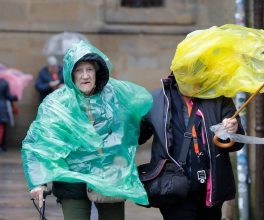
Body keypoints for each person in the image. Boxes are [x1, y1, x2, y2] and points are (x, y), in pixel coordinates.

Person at [23, 41, 152, 220]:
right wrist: (39, 182)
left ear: (96, 72)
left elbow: (136, 124)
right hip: (73, 183)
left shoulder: (114, 96)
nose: (85, 76)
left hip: (110, 179)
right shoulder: (57, 104)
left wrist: (129, 143)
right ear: (70, 74)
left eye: (89, 69)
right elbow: (40, 143)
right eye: (79, 70)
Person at [138, 73, 245, 220]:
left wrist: (232, 131)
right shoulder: (157, 99)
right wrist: (129, 119)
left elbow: (237, 144)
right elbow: (137, 137)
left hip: (210, 189)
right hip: (174, 188)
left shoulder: (219, 98)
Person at [0, 79, 17, 152]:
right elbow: (8, 96)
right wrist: (15, 97)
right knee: (2, 128)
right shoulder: (4, 82)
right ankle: (2, 146)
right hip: (2, 108)